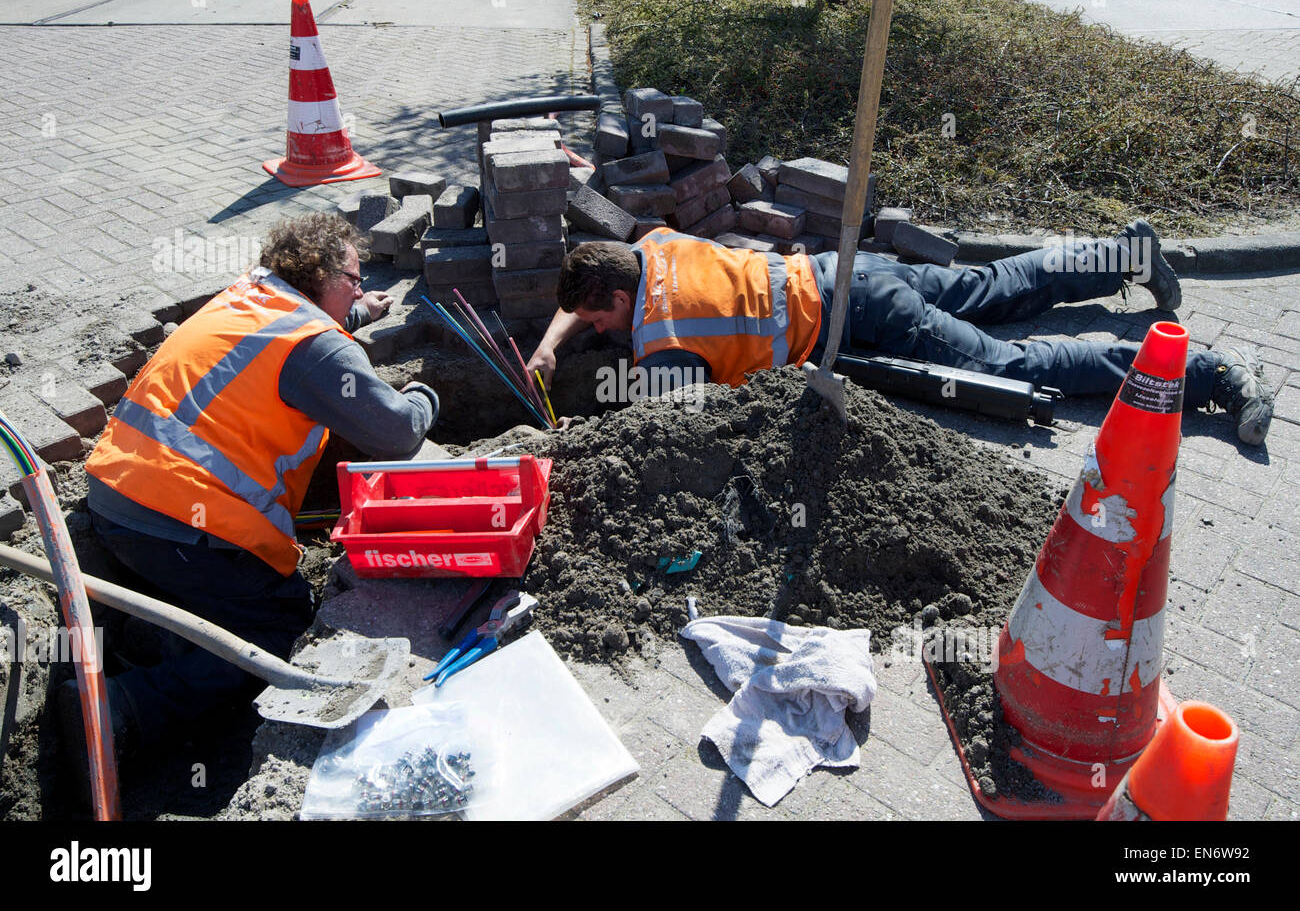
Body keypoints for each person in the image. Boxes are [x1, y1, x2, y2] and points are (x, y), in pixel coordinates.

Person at [67, 213, 440, 770]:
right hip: (176, 522)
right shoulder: (317, 349)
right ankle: (123, 707)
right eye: (354, 279)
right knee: (277, 625)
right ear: (319, 275)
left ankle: (156, 636)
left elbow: (295, 345)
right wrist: (425, 395)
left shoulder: (250, 296)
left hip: (119, 492)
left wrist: (358, 314)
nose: (360, 288)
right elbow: (397, 432)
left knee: (221, 594)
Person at [526, 221, 1274, 445]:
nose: (602, 335)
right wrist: (552, 344)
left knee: (1010, 363)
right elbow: (598, 287)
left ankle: (1208, 375)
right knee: (994, 286)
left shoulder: (665, 347)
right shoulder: (654, 245)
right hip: (843, 270)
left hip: (861, 319)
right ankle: (1122, 253)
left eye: (598, 321)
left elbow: (666, 430)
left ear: (619, 297)